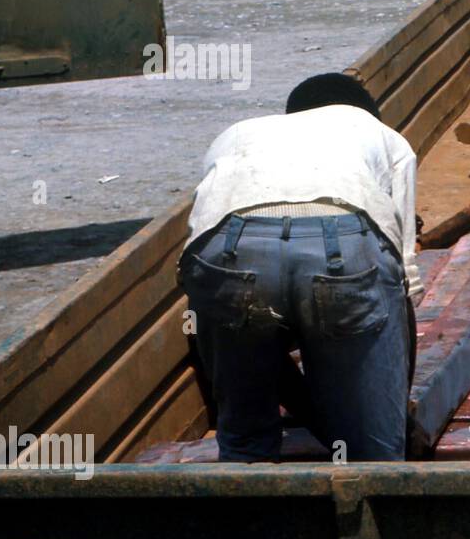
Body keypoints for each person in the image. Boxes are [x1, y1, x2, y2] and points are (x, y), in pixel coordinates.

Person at [179, 73, 420, 462]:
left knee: (245, 441)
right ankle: (374, 480)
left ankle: (250, 500)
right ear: (367, 113)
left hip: (227, 248)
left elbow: (206, 219)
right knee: (375, 450)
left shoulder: (239, 132)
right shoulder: (383, 136)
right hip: (342, 241)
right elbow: (404, 270)